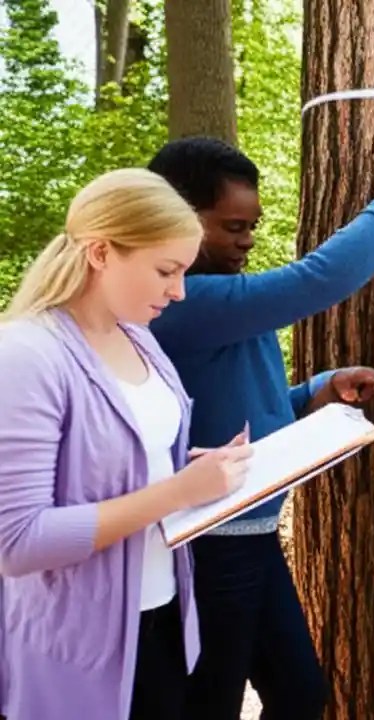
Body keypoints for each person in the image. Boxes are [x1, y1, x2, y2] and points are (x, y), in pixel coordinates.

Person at [146, 137, 374, 719]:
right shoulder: (184, 301)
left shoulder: (219, 299)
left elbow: (248, 412)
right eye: (232, 225)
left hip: (253, 536)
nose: (247, 239)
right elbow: (315, 281)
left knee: (299, 694)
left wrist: (317, 390)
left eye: (252, 225)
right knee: (211, 703)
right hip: (209, 545)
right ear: (176, 216)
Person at [0, 169, 253, 720]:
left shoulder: (139, 339)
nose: (179, 291)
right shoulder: (27, 356)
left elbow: (126, 458)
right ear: (99, 252)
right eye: (166, 270)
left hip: (160, 617)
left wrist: (194, 470)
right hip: (75, 650)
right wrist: (176, 491)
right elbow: (17, 542)